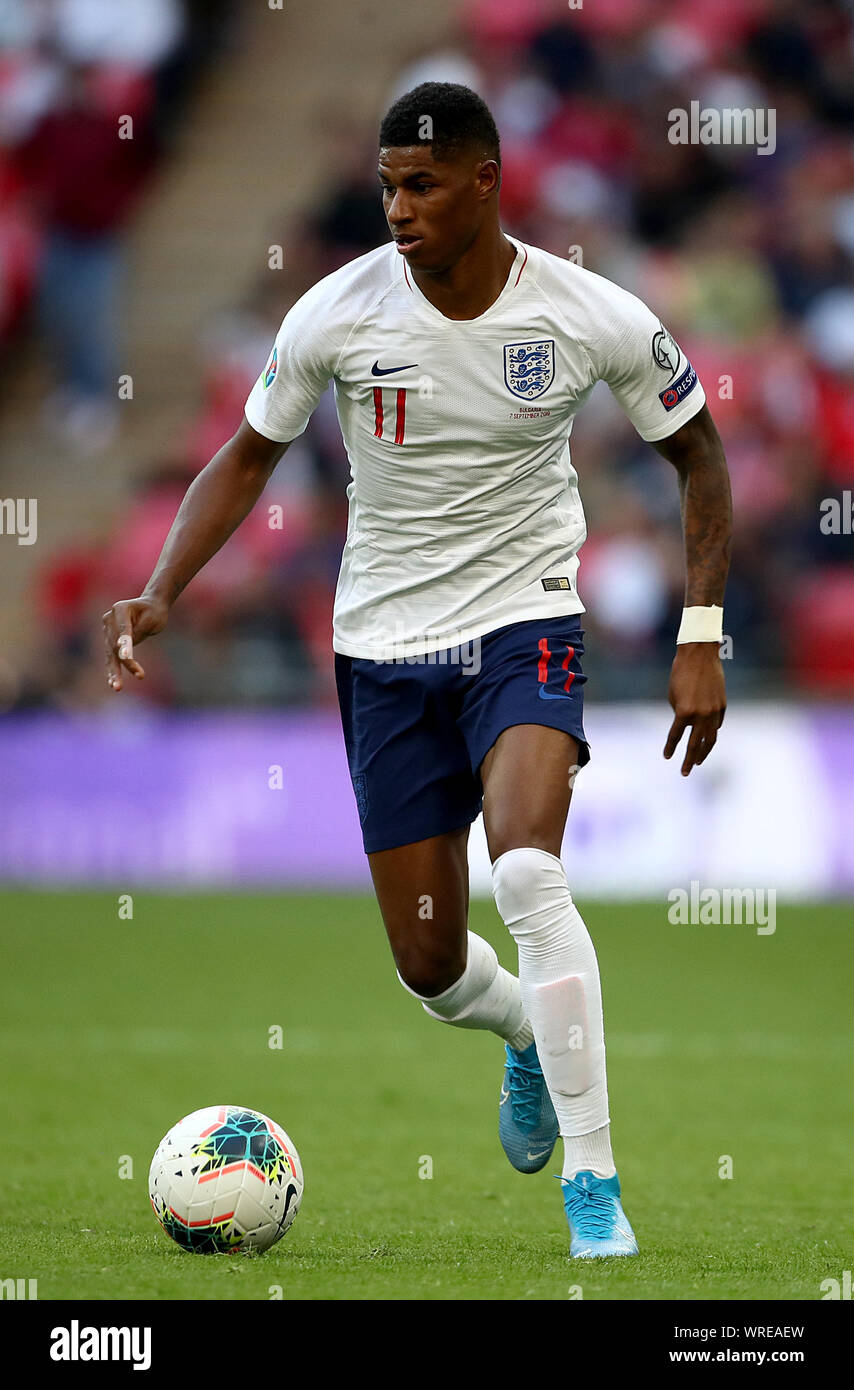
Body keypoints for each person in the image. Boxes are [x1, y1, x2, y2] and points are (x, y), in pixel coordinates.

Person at [103, 83, 731, 1258]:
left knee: (531, 875)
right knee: (431, 964)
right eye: (388, 184)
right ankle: (523, 1039)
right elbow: (245, 457)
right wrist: (163, 587)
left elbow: (698, 452)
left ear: (486, 180)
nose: (396, 206)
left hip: (523, 622)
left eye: (422, 184)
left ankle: (592, 1188)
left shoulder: (586, 312)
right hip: (383, 647)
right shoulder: (335, 314)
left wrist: (700, 636)